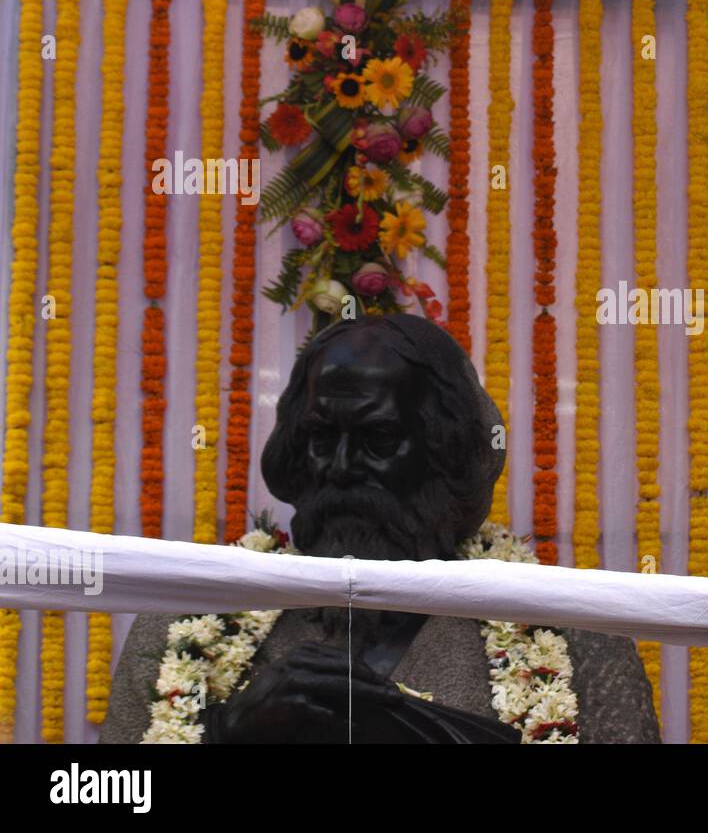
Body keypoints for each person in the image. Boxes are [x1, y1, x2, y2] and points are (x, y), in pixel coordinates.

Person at [99, 314, 661, 743]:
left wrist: (406, 725)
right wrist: (229, 731)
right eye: (321, 439)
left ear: (446, 453)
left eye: (379, 441)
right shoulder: (186, 626)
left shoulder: (576, 636)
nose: (340, 469)